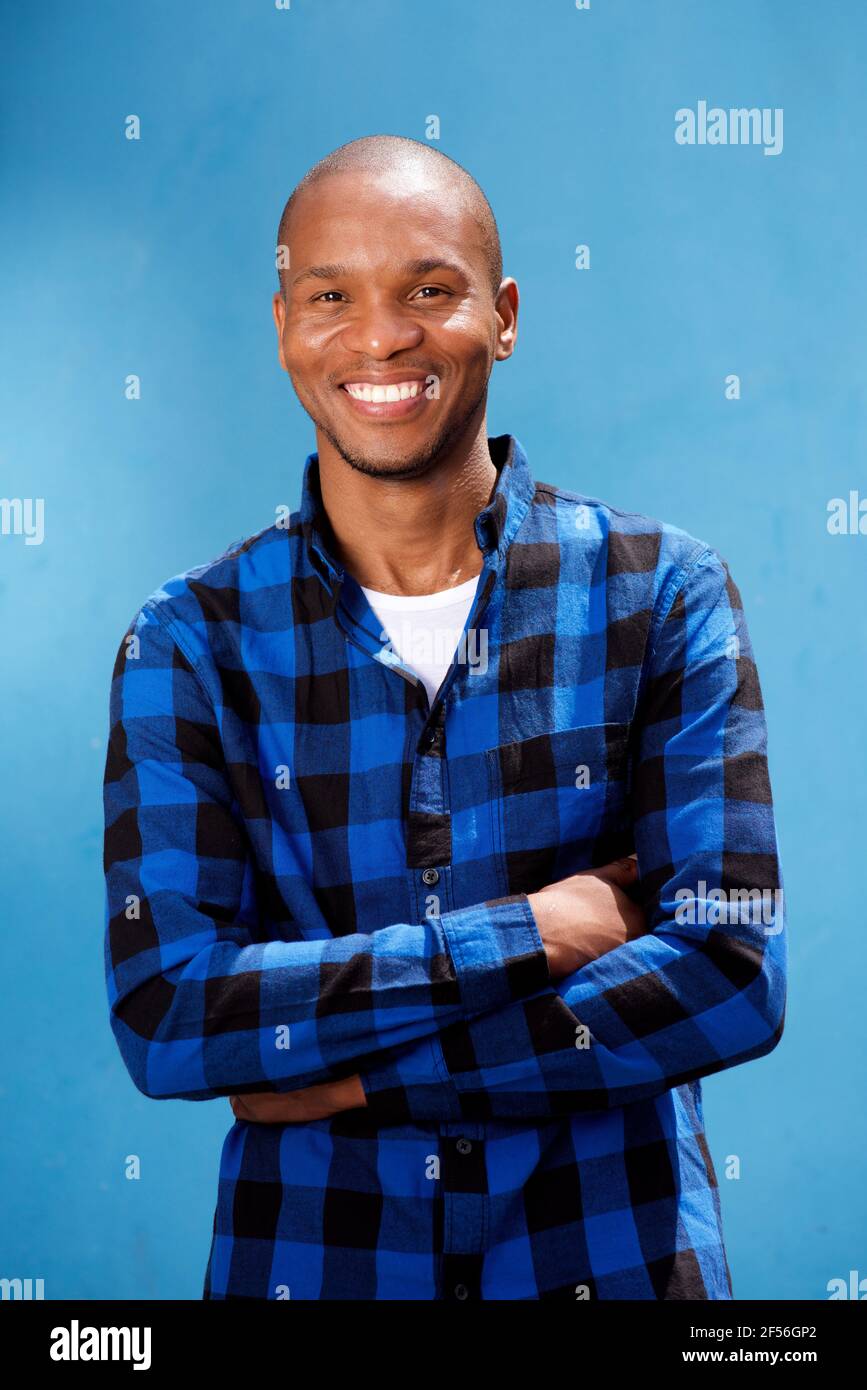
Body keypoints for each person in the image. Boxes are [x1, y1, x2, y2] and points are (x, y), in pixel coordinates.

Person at [102, 134, 787, 1301]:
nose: (381, 337)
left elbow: (728, 973)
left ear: (504, 314)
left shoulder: (663, 591)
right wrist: (530, 932)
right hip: (315, 1268)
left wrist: (362, 1079)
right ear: (282, 328)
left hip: (615, 1263)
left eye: (430, 289)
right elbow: (173, 1015)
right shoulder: (188, 642)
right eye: (332, 296)